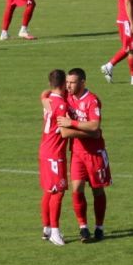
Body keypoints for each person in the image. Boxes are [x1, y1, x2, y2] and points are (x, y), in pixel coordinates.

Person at [59, 68, 111, 242]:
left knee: (97, 190)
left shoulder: (92, 100)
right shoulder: (67, 97)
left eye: (72, 82)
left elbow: (95, 125)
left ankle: (99, 227)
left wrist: (71, 123)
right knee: (77, 188)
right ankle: (83, 228)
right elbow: (67, 132)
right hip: (77, 153)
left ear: (83, 82)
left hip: (94, 153)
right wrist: (86, 131)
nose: (68, 86)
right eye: (67, 82)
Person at [40, 68, 75, 246]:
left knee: (49, 190)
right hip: (55, 152)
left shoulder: (47, 99)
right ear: (63, 84)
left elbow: (43, 94)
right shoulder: (61, 105)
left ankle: (46, 228)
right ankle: (55, 231)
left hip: (45, 149)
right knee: (58, 191)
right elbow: (64, 130)